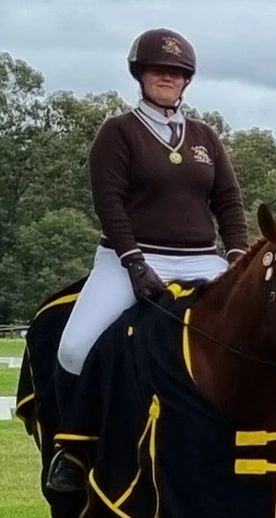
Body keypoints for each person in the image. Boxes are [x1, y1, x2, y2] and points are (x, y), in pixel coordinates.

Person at [44, 28, 247, 494]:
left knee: (254, 330)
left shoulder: (205, 137)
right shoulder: (118, 132)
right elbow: (109, 202)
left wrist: (237, 259)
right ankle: (73, 448)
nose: (166, 77)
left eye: (175, 72)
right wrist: (134, 263)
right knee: (75, 346)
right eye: (158, 70)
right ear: (141, 75)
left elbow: (229, 204)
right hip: (128, 258)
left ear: (186, 81)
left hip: (200, 260)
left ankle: (272, 443)